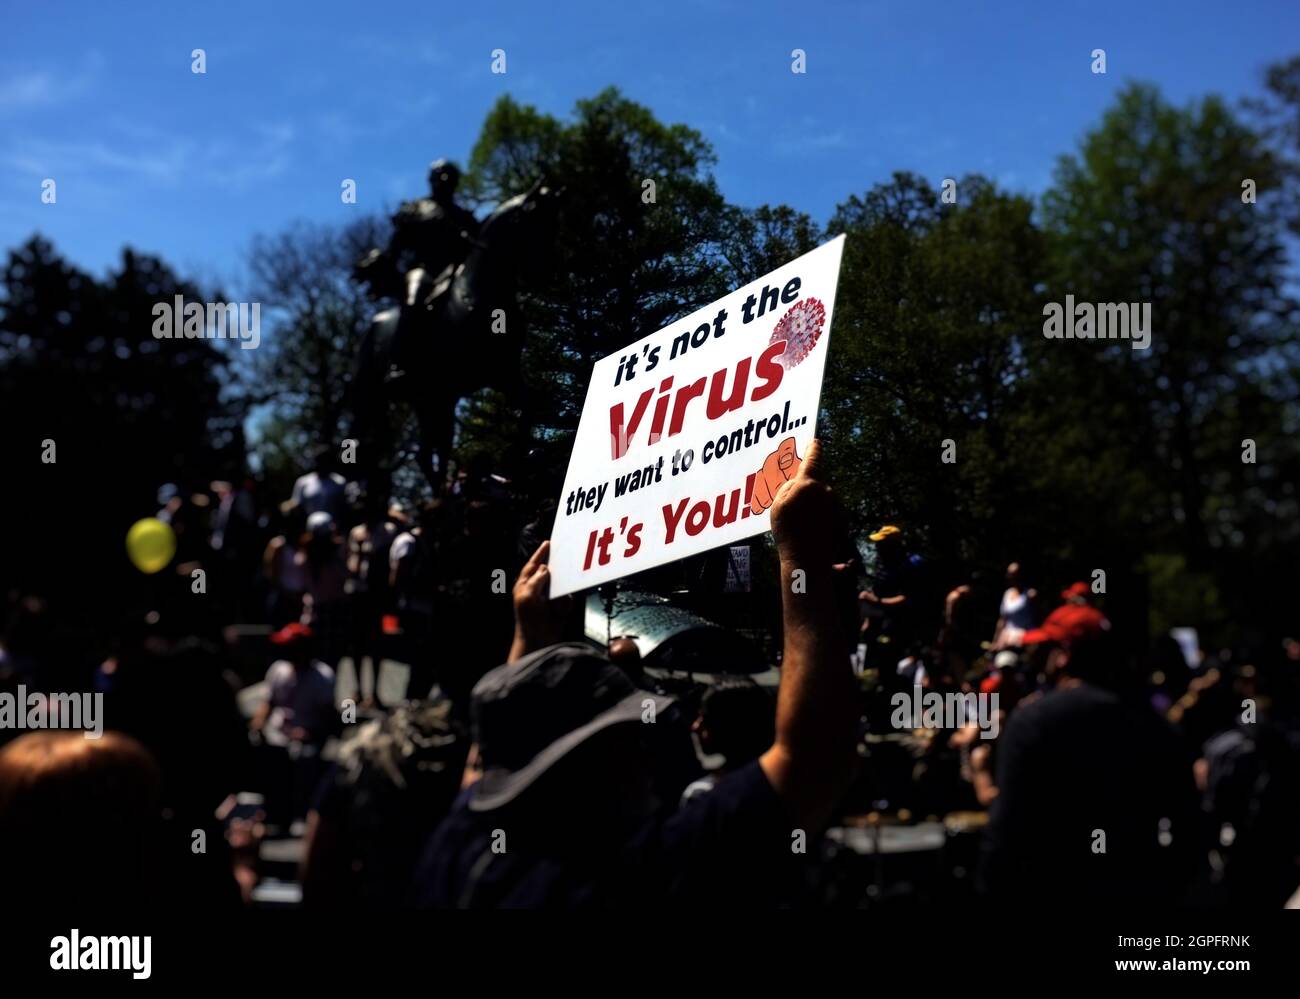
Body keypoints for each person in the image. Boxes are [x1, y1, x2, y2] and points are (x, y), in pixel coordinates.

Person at [414, 439, 860, 908]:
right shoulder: (632, 874)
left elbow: (489, 755)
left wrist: (529, 635)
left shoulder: (462, 842)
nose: (643, 752)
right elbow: (815, 758)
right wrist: (800, 558)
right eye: (623, 737)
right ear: (588, 766)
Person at [980, 629, 1198, 905]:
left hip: (1051, 891)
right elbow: (1188, 826)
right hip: (1133, 892)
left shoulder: (1031, 721)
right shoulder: (1153, 726)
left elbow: (1005, 834)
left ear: (1064, 656)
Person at [385, 158, 481, 382]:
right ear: (432, 180)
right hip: (424, 270)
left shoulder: (464, 216)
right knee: (414, 299)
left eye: (449, 178)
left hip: (457, 272)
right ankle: (398, 362)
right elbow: (397, 244)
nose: (445, 182)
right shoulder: (416, 208)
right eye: (440, 177)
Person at [250, 623, 339, 825]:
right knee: (267, 756)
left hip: (307, 734)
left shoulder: (323, 677)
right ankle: (273, 808)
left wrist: (312, 733)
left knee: (304, 758)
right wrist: (257, 726)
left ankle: (302, 811)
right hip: (278, 731)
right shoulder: (278, 670)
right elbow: (268, 703)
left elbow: (329, 718)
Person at [679, 678, 776, 806]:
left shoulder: (703, 795)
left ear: (732, 727)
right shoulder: (784, 784)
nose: (695, 726)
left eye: (705, 718)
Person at [289, 447, 347, 523]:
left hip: (334, 527)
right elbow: (296, 504)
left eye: (325, 460)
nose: (321, 464)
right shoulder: (302, 482)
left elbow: (344, 508)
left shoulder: (340, 482)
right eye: (319, 460)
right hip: (310, 528)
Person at [991, 562, 1037, 649]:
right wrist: (995, 641)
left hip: (1025, 638)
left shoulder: (1030, 595)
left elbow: (1037, 618)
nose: (1011, 577)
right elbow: (1002, 619)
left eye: (1015, 574)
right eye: (1010, 574)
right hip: (1006, 638)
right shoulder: (1007, 594)